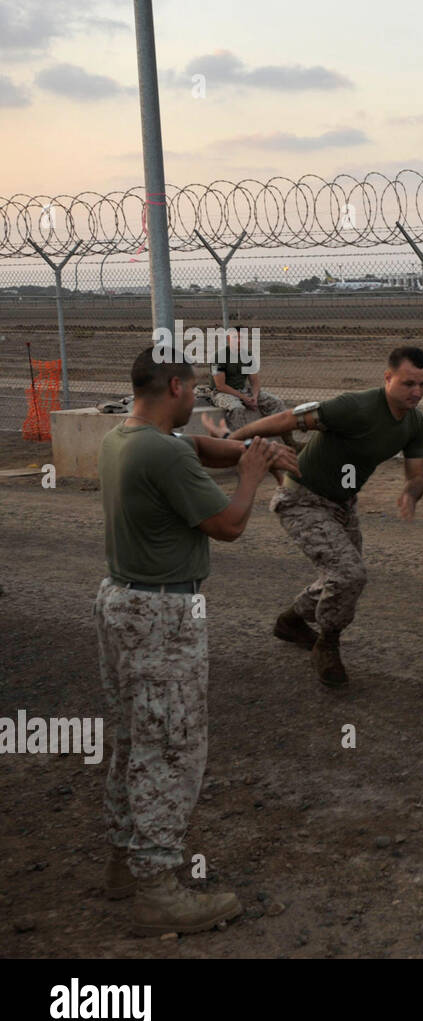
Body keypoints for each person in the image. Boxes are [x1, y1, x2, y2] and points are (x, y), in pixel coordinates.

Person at [96, 347, 292, 935]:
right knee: (173, 746)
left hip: (121, 600)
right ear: (177, 386)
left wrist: (241, 446)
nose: (199, 397)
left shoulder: (123, 438)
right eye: (195, 388)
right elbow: (229, 526)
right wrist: (253, 473)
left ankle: (124, 862)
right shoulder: (163, 452)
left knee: (135, 737)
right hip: (162, 614)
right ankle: (157, 889)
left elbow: (195, 448)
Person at [224, 347, 423, 686]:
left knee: (342, 580)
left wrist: (411, 493)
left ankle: (291, 622)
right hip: (302, 498)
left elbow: (417, 476)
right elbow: (287, 419)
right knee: (349, 575)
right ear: (388, 378)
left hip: (343, 505)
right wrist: (233, 441)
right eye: (409, 383)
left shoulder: (414, 423)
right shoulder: (355, 407)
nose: (417, 393)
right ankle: (328, 644)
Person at [206, 316, 285, 432]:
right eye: (235, 338)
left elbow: (255, 381)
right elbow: (220, 386)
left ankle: (284, 436)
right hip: (222, 393)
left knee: (276, 402)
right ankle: (238, 442)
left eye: (241, 338)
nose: (238, 341)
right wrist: (244, 398)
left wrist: (254, 397)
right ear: (228, 339)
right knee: (237, 408)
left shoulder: (247, 355)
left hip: (242, 390)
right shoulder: (219, 357)